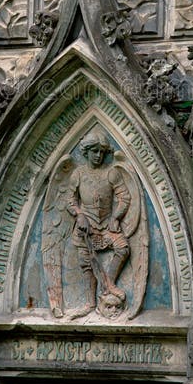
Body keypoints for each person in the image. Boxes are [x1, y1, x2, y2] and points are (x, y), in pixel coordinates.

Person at [67, 129, 131, 316]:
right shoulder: (78, 174)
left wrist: (115, 217)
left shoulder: (111, 173)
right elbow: (70, 199)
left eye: (102, 152)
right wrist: (79, 214)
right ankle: (89, 302)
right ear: (86, 152)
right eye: (94, 151)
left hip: (107, 225)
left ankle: (109, 283)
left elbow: (124, 197)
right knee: (86, 263)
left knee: (123, 247)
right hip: (86, 227)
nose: (98, 155)